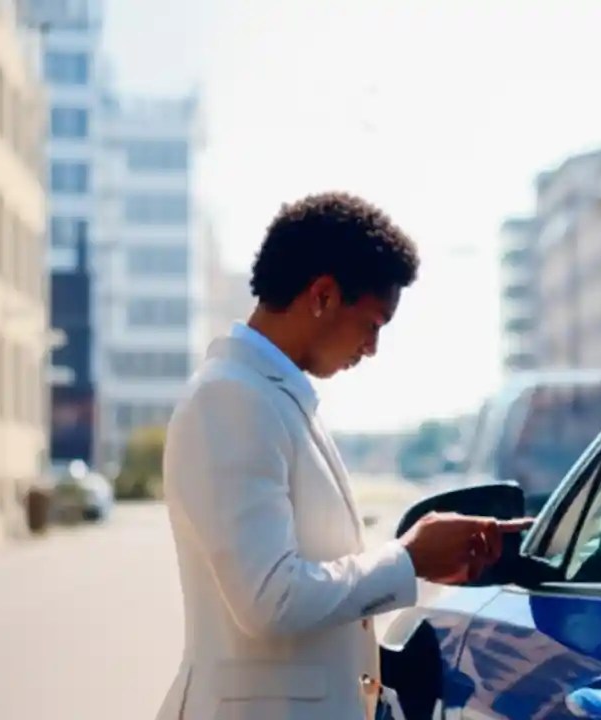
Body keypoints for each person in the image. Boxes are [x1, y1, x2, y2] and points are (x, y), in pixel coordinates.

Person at [155, 192, 529, 720]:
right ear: (323, 295)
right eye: (373, 324)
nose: (372, 348)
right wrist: (408, 558)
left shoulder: (273, 397)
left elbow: (305, 569)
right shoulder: (232, 398)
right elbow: (270, 599)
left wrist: (418, 560)